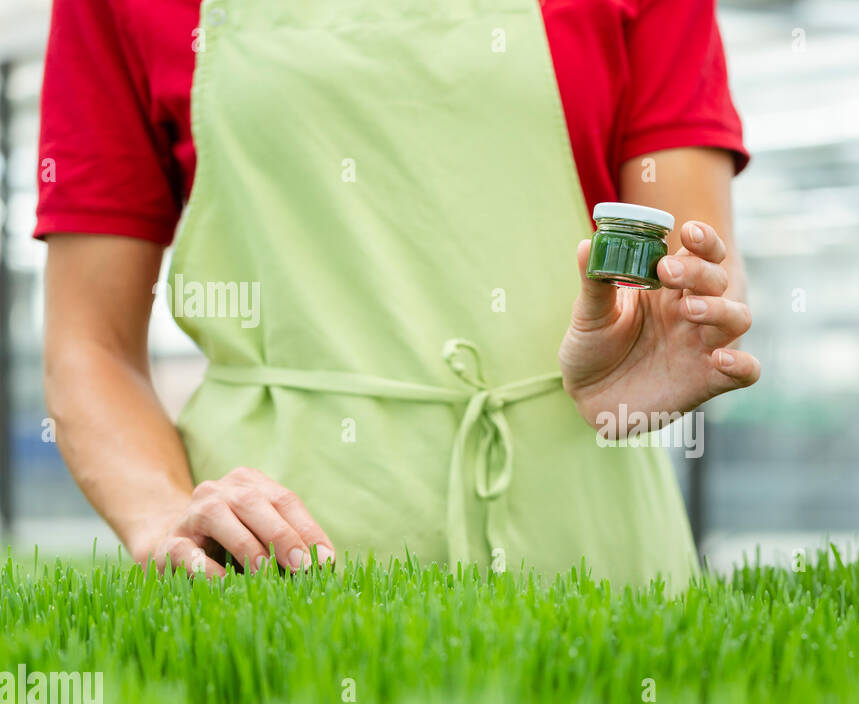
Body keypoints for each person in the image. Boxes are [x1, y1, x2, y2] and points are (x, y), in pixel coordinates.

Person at [37, 0, 760, 588]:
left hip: (591, 548)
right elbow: (90, 344)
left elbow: (684, 260)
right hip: (269, 569)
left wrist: (659, 334)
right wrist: (162, 515)